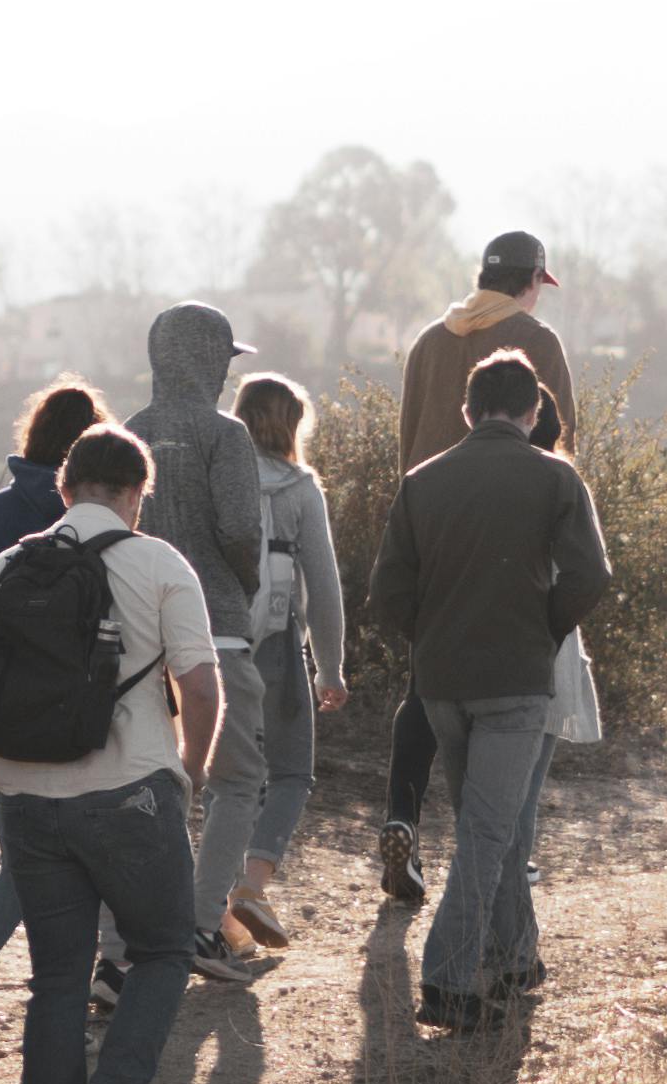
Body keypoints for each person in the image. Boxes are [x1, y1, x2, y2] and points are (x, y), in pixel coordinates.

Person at [0, 422, 224, 1084]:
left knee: (58, 979)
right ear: (138, 495)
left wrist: (19, 779)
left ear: (63, 489)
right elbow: (203, 687)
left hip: (25, 801)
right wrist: (191, 770)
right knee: (166, 947)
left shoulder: (7, 566)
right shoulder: (159, 563)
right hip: (131, 791)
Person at [362, 351, 606, 1034]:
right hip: (515, 682)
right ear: (533, 413)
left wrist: (431, 634)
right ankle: (446, 982)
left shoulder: (421, 481)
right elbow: (591, 575)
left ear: (467, 410)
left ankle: (516, 956)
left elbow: (388, 590)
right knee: (487, 832)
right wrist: (543, 626)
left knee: (484, 824)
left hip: (441, 682)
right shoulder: (555, 477)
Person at [377, 231, 574, 905]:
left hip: (433, 528)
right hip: (516, 536)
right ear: (531, 282)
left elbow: (407, 441)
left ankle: (401, 815)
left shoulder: (432, 340)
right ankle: (504, 852)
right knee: (513, 699)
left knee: (426, 681)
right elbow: (562, 437)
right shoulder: (535, 342)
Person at [0, 379, 101, 1055]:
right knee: (73, 856)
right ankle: (51, 993)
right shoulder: (92, 523)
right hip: (72, 721)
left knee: (21, 852)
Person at [134, 301, 276, 985]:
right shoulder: (227, 435)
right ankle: (198, 925)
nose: (227, 372)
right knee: (238, 780)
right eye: (224, 356)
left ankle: (129, 941)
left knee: (143, 783)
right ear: (208, 359)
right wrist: (242, 586)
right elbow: (242, 530)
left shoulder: (130, 431)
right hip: (216, 629)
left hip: (138, 640)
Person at [217, 371, 344, 949]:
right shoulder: (300, 487)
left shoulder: (219, 477)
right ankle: (252, 885)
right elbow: (323, 583)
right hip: (277, 650)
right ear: (294, 425)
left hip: (215, 643)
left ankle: (212, 914)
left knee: (229, 782)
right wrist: (331, 667)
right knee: (290, 773)